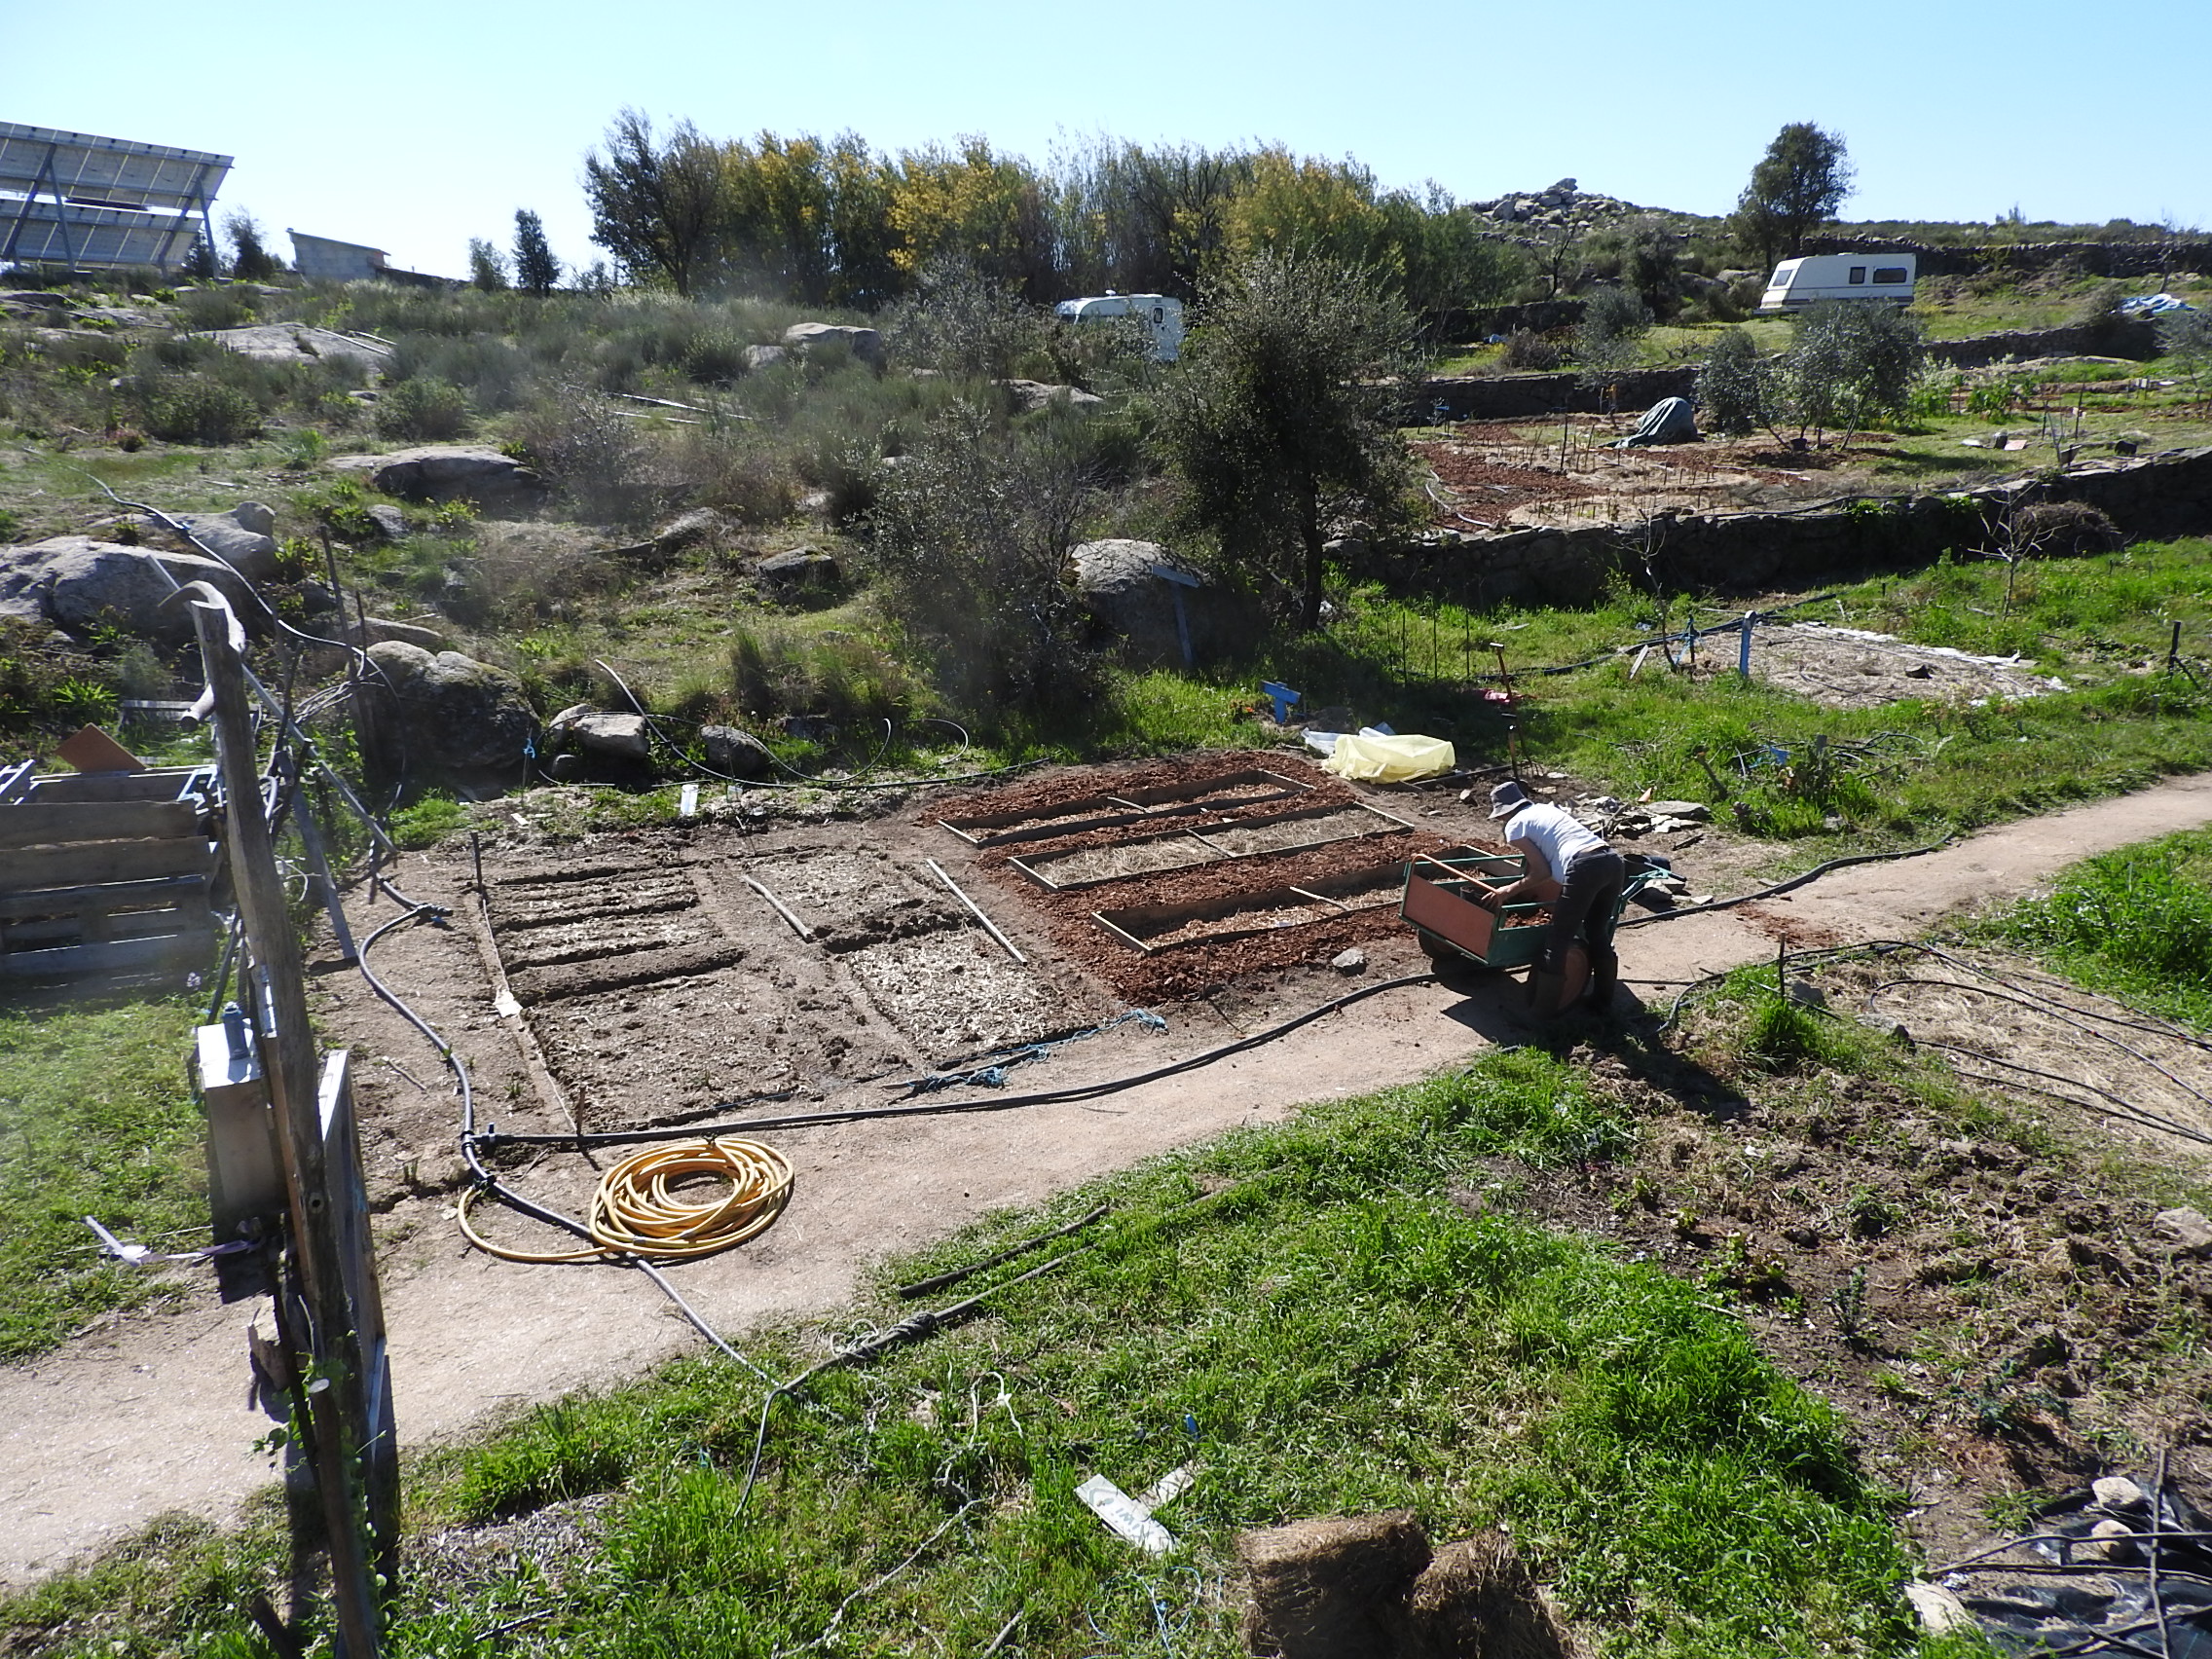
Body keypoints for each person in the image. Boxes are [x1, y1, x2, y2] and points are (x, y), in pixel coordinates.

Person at [1474, 779, 1623, 1014]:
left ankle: (1543, 1013)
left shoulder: (1515, 825)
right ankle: (1603, 1002)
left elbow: (1541, 872)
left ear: (1503, 812)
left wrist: (1507, 891)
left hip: (1584, 866)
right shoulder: (1543, 809)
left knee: (1558, 939)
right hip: (1612, 861)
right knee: (1596, 930)